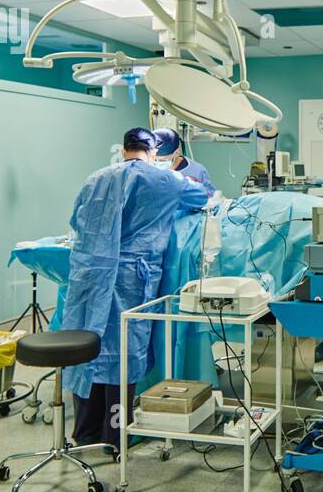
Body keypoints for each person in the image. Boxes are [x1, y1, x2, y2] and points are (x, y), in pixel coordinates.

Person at [61, 128, 212, 448]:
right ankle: (116, 436)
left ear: (126, 147)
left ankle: (85, 433)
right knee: (123, 353)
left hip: (89, 275)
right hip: (131, 278)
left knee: (88, 347)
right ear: (154, 150)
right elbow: (202, 197)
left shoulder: (95, 178)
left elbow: (75, 221)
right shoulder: (166, 181)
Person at [151, 127, 217, 198]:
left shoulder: (196, 171)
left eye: (162, 160)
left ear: (176, 152)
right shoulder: (146, 168)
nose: (156, 162)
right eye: (153, 158)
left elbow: (210, 199)